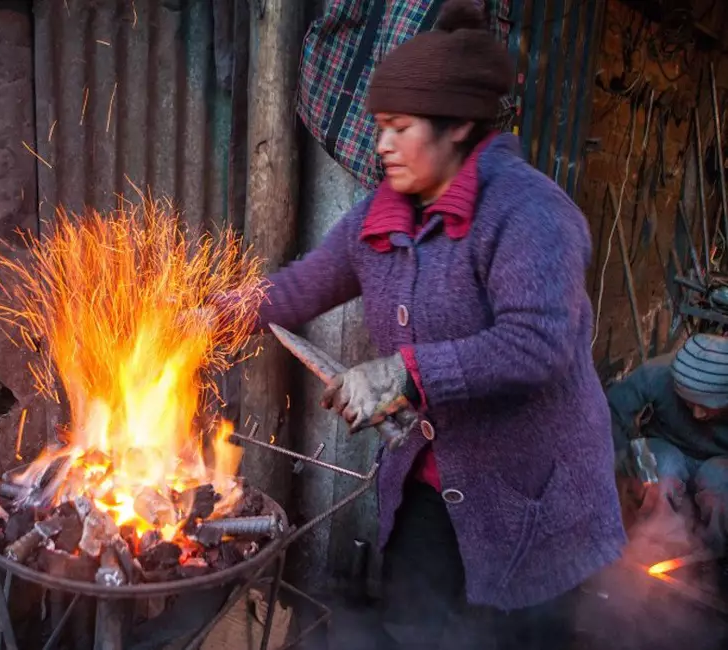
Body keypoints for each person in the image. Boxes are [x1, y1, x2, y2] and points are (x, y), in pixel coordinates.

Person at [230, 0, 627, 647]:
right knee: (415, 630)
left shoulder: (530, 214)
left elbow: (539, 344)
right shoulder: (378, 216)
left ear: (460, 129)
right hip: (427, 488)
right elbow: (304, 284)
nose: (381, 144)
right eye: (380, 125)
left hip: (531, 500)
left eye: (400, 127)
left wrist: (401, 371)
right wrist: (215, 313)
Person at [607, 333, 728, 554]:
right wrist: (628, 460)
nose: (698, 414)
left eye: (709, 406)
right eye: (690, 403)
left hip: (720, 461)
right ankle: (651, 544)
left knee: (719, 487)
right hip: (665, 446)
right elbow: (612, 414)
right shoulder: (659, 373)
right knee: (660, 473)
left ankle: (712, 557)